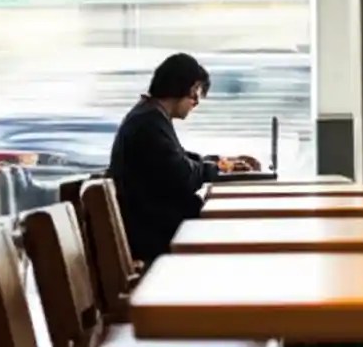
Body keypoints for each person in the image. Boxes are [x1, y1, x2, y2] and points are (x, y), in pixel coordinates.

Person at [108, 53, 258, 264]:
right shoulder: (148, 123)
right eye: (195, 92)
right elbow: (183, 174)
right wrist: (216, 169)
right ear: (181, 88)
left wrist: (217, 163)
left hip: (153, 226)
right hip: (154, 237)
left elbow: (177, 159)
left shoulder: (149, 116)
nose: (196, 101)